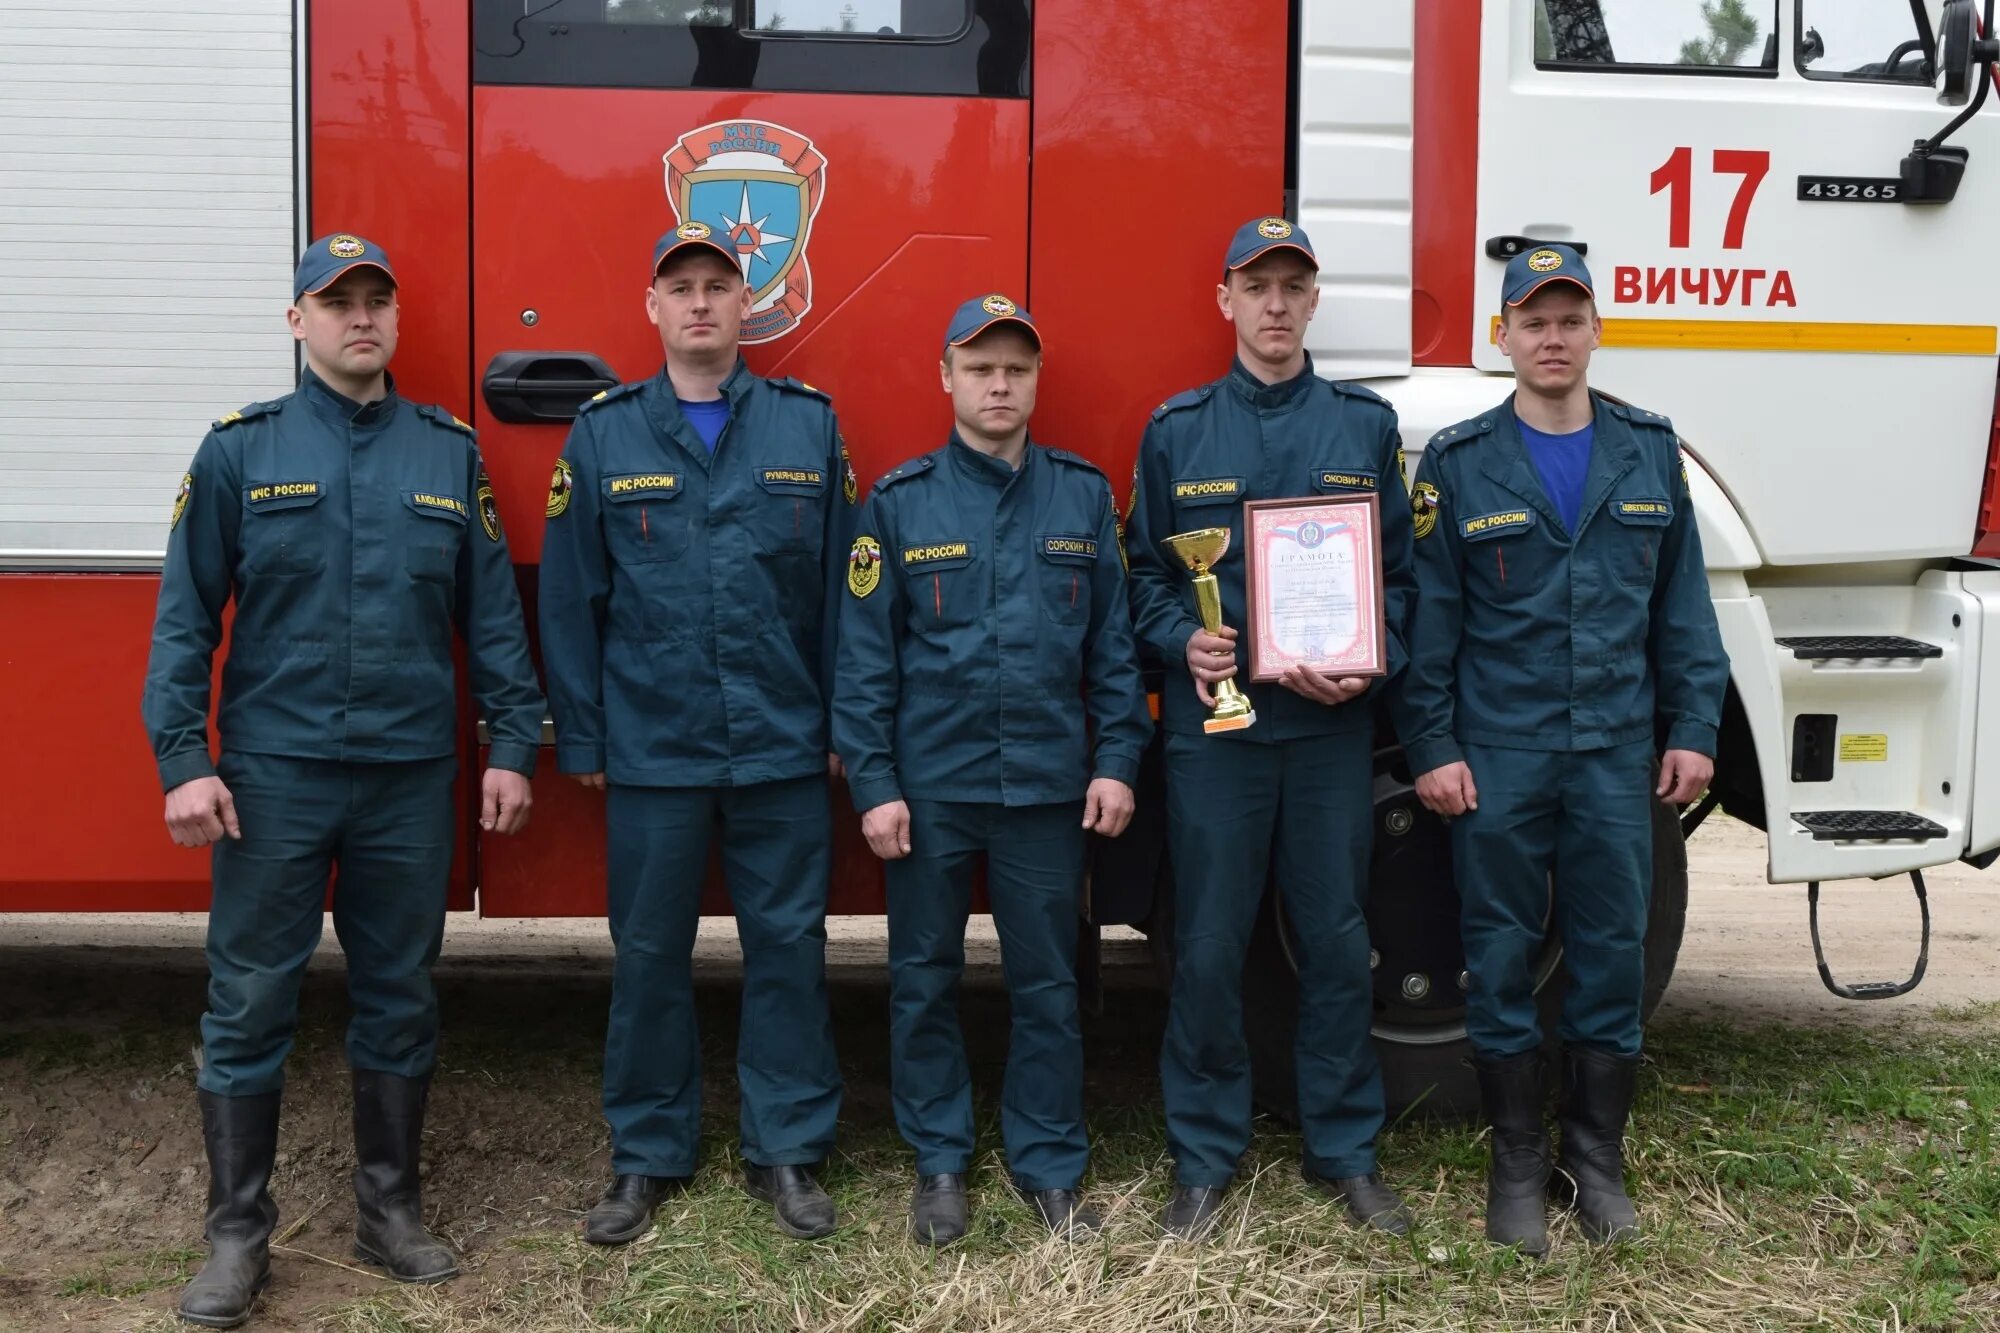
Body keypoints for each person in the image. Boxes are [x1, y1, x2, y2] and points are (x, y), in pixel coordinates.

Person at [143, 233, 545, 1327]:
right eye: (336, 302)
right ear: (298, 323)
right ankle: (235, 1235)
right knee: (249, 1000)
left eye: (376, 301)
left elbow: (492, 619)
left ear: (395, 321)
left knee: (400, 994)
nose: (358, 317)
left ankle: (390, 1210)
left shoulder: (446, 453)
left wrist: (511, 742)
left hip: (409, 777)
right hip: (273, 776)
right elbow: (184, 620)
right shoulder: (239, 451)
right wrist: (185, 759)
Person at [1394, 244, 1728, 1255]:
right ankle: (1514, 1159)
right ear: (1499, 336)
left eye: (1566, 317)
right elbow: (1430, 623)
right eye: (1530, 319)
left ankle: (1595, 1158)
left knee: (1607, 953)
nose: (1549, 337)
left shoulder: (1645, 450)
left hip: (1613, 753)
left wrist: (1695, 728)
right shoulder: (1456, 464)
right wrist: (1431, 744)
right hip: (1499, 753)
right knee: (1495, 952)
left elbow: (1682, 610)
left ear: (1593, 330)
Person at [538, 220, 851, 1244]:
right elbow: (571, 599)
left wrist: (849, 725)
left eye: (719, 284)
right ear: (653, 309)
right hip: (653, 746)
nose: (702, 302)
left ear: (746, 303)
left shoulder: (808, 427)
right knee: (648, 956)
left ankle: (788, 1149)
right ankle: (645, 1152)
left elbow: (847, 594)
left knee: (788, 952)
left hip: (781, 742)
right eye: (682, 288)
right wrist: (580, 739)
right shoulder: (604, 432)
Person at [832, 295, 1151, 1244]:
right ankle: (938, 1160)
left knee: (1048, 982)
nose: (999, 383)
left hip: (1050, 790)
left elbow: (1114, 651)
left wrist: (1118, 760)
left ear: (1036, 379)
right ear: (947, 378)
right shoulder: (897, 502)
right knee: (923, 977)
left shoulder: (1083, 497)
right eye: (980, 367)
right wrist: (876, 783)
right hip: (930, 788)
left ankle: (1049, 1163)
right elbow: (863, 660)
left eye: (1015, 367)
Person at [1123, 217, 1418, 1241]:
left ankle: (1342, 1148)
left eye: (1292, 286)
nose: (1276, 306)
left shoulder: (1361, 427)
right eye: (1257, 287)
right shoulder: (1177, 429)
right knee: (1205, 945)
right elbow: (1146, 583)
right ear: (1225, 301)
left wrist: (1366, 656)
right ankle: (1203, 1154)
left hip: (1331, 734)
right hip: (1219, 737)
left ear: (1313, 300)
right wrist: (1184, 646)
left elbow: (1400, 583)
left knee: (1337, 944)